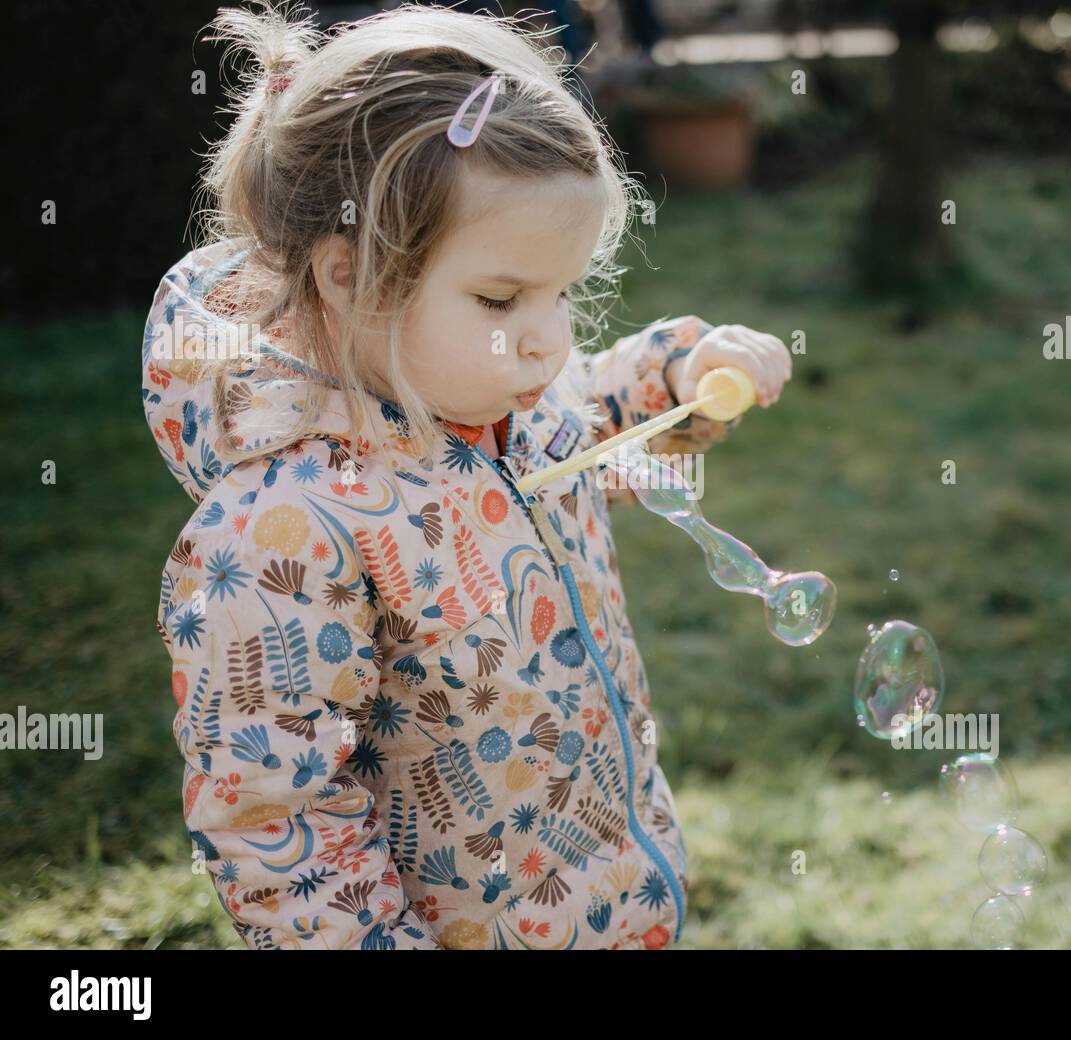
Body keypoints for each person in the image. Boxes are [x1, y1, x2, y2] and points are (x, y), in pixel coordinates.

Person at [143, 1, 791, 949]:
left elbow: (590, 409)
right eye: (501, 297)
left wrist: (680, 378)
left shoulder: (503, 400)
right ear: (349, 276)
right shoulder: (282, 538)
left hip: (607, 895)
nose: (550, 334)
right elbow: (281, 828)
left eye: (563, 291)